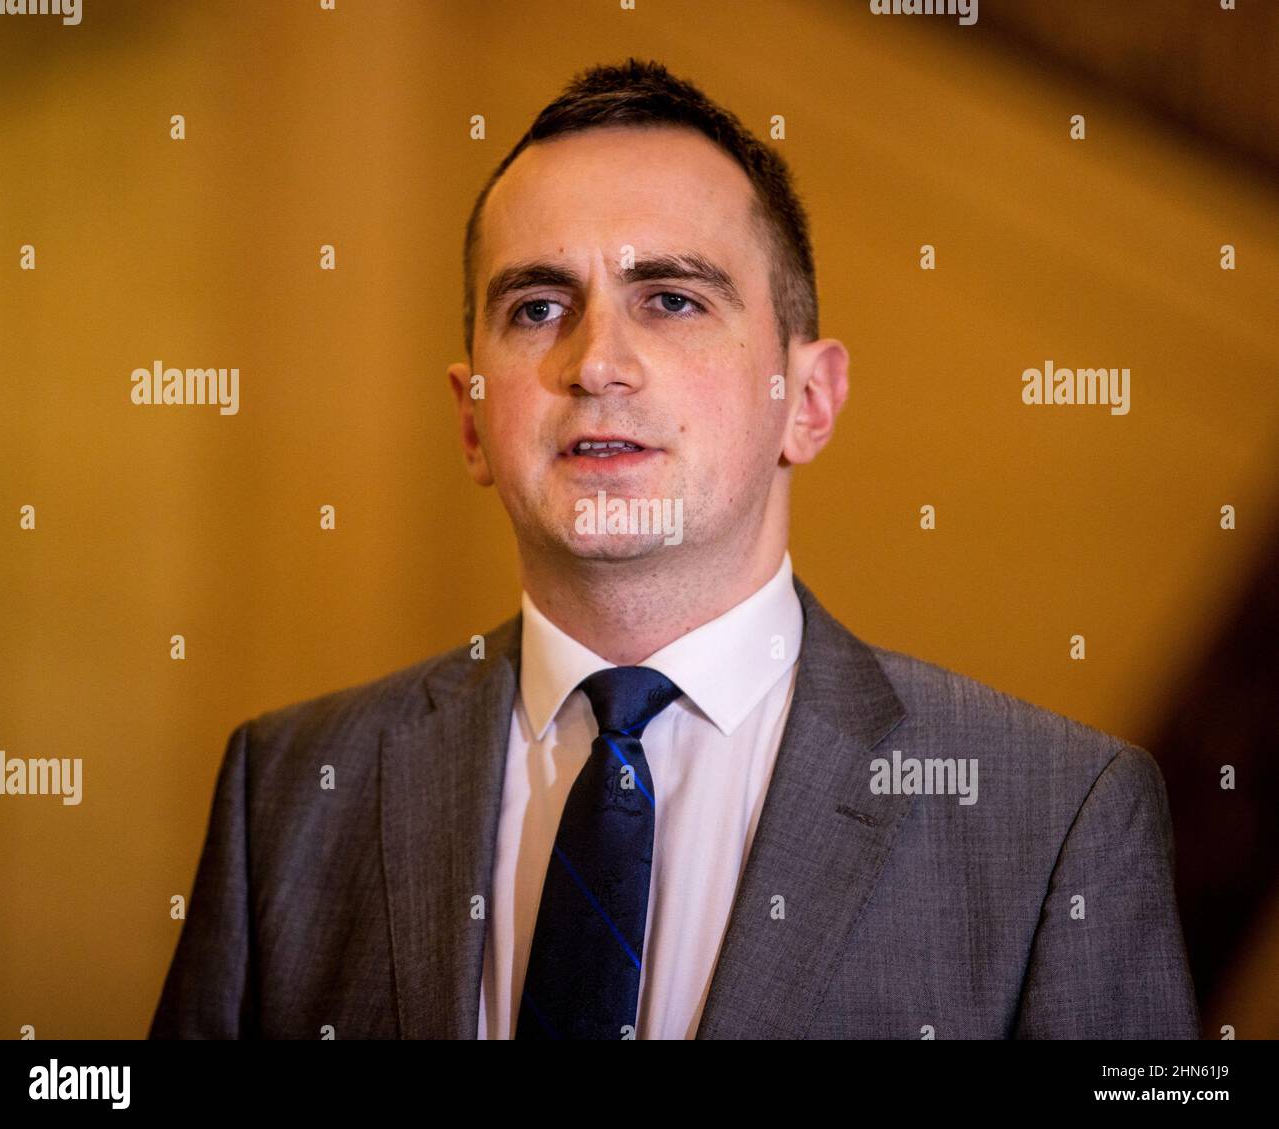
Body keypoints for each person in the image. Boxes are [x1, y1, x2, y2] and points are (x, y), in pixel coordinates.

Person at [149, 57, 1198, 1040]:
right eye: (538, 306)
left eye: (672, 298)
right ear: (472, 421)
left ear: (810, 400)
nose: (597, 361)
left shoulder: (1054, 813)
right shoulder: (288, 790)